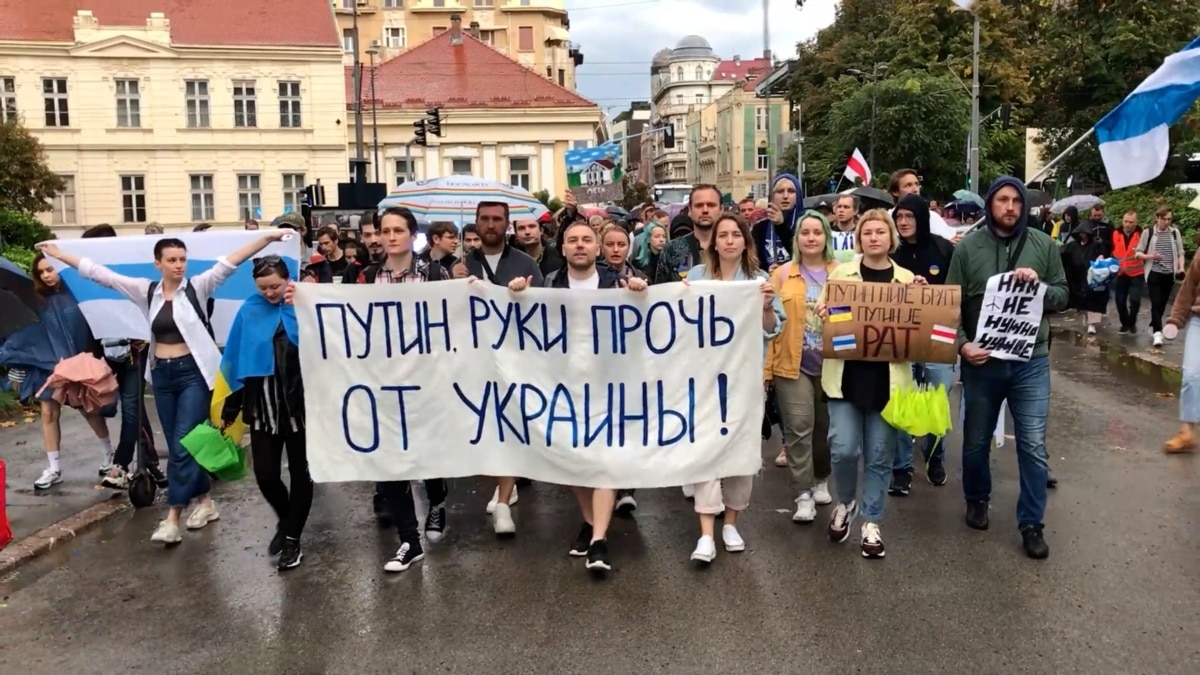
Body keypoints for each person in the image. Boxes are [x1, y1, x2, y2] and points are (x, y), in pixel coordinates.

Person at [37, 230, 290, 545]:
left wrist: (267, 238)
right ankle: (205, 502)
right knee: (181, 442)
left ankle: (172, 517)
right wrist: (59, 255)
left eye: (183, 259)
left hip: (193, 375)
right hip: (163, 377)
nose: (179, 265)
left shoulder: (198, 286)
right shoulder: (147, 291)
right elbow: (102, 275)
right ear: (158, 263)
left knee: (182, 447)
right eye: (172, 260)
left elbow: (231, 262)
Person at [507, 221, 648, 575]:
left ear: (598, 249)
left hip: (609, 387)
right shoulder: (547, 284)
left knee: (604, 463)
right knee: (573, 463)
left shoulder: (617, 283)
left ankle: (599, 540)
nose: (580, 245)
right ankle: (590, 522)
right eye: (573, 241)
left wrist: (640, 292)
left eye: (587, 240)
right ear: (564, 249)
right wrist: (516, 293)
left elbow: (645, 321)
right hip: (563, 388)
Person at [946, 177, 1068, 560]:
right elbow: (951, 307)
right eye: (1003, 200)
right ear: (990, 204)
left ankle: (1032, 523)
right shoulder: (968, 248)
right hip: (983, 364)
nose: (1011, 207)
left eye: (1016, 200)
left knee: (1032, 444)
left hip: (1031, 361)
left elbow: (1064, 295)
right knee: (977, 440)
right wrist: (963, 346)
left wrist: (1040, 288)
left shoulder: (1043, 245)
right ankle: (977, 499)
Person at [817, 210, 919, 559]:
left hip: (888, 381)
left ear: (892, 238)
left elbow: (920, 335)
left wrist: (922, 303)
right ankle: (846, 502)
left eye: (881, 232)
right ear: (859, 239)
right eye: (868, 232)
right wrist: (824, 314)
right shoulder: (841, 275)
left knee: (879, 455)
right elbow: (823, 329)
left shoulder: (908, 280)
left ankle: (872, 521)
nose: (874, 237)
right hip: (845, 377)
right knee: (843, 448)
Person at [684, 213, 784, 564]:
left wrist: (767, 306)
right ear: (713, 242)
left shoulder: (758, 281)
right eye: (722, 235)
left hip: (744, 380)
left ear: (745, 242)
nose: (728, 240)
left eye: (735, 235)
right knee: (705, 450)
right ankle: (706, 532)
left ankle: (731, 521)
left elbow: (773, 330)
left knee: (740, 452)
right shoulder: (695, 278)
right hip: (703, 379)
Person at [452, 201, 543, 536]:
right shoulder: (459, 265)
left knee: (507, 427)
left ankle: (504, 500)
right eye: (485, 219)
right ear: (475, 223)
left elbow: (545, 311)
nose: (490, 225)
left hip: (513, 360)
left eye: (497, 219)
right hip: (472, 361)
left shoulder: (525, 262)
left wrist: (525, 293)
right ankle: (505, 483)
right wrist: (451, 282)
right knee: (483, 429)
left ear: (507, 224)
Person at [219, 255, 310, 570]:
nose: (270, 293)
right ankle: (287, 521)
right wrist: (231, 405)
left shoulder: (304, 306)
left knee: (301, 475)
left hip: (302, 406)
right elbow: (238, 359)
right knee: (266, 475)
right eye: (263, 288)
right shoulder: (249, 310)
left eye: (276, 286)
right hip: (262, 406)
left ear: (288, 280)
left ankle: (292, 540)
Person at [0, 253, 113, 490]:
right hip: (49, 366)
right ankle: (54, 467)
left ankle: (108, 456)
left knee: (89, 411)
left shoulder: (78, 294)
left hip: (79, 364)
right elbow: (29, 333)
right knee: (48, 413)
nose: (47, 276)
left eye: (50, 269)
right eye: (41, 272)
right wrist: (19, 364)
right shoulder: (37, 300)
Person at [78, 224, 166, 491]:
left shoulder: (129, 275)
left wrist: (145, 335)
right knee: (132, 411)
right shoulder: (84, 280)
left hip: (133, 355)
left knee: (132, 409)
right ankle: (150, 464)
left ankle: (121, 465)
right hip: (103, 355)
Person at [764, 210, 836, 523]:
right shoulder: (781, 274)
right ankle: (803, 493)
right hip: (791, 365)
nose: (810, 238)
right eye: (804, 232)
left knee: (825, 430)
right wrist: (766, 372)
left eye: (817, 232)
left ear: (826, 238)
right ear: (797, 239)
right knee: (798, 428)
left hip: (834, 365)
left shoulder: (843, 272)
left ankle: (822, 478)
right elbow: (769, 324)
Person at [889, 193, 956, 490]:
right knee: (903, 400)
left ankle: (934, 456)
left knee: (936, 398)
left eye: (909, 217)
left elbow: (956, 290)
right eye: (899, 217)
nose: (903, 222)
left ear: (921, 218)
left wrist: (932, 293)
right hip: (902, 339)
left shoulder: (942, 249)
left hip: (937, 337)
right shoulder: (890, 251)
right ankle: (901, 466)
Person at [1163, 247, 1200, 453]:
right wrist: (1175, 320)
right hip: (1198, 320)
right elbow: (1188, 287)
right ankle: (1186, 431)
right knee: (1191, 375)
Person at [1135, 206, 1186, 347]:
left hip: (1169, 274)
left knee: (1162, 303)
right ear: (1157, 218)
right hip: (1154, 273)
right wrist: (1152, 256)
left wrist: (1180, 268)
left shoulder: (1175, 233)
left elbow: (1181, 252)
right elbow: (1138, 253)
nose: (1167, 222)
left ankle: (1153, 323)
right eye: (1164, 219)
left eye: (1169, 219)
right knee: (1156, 302)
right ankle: (1158, 333)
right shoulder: (1148, 233)